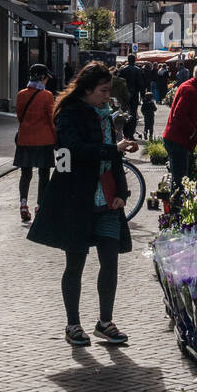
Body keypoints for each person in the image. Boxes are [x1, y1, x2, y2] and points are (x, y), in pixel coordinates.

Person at [28, 63, 133, 347]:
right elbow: (71, 152)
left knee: (110, 261)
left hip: (108, 201)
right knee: (75, 264)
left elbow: (114, 162)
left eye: (109, 91)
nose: (108, 96)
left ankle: (105, 322)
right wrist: (112, 149)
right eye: (103, 91)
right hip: (78, 199)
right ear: (87, 90)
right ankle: (73, 324)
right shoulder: (68, 115)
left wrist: (122, 190)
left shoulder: (106, 116)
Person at [13, 64, 56, 222]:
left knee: (25, 173)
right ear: (43, 78)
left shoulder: (21, 94)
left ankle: (23, 204)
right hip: (43, 140)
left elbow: (19, 116)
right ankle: (40, 206)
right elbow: (51, 121)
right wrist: (56, 138)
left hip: (25, 139)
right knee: (44, 174)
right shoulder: (47, 96)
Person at [162, 60, 197, 199]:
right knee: (180, 181)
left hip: (176, 138)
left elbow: (186, 115)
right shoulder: (191, 90)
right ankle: (176, 214)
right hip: (178, 140)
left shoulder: (189, 87)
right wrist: (193, 131)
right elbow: (179, 114)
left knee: (180, 179)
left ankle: (176, 211)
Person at [122, 54, 143, 137]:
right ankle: (130, 133)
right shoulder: (137, 70)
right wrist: (143, 95)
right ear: (135, 60)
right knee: (133, 114)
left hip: (125, 94)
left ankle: (125, 133)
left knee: (125, 113)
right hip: (134, 94)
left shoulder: (123, 69)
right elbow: (140, 83)